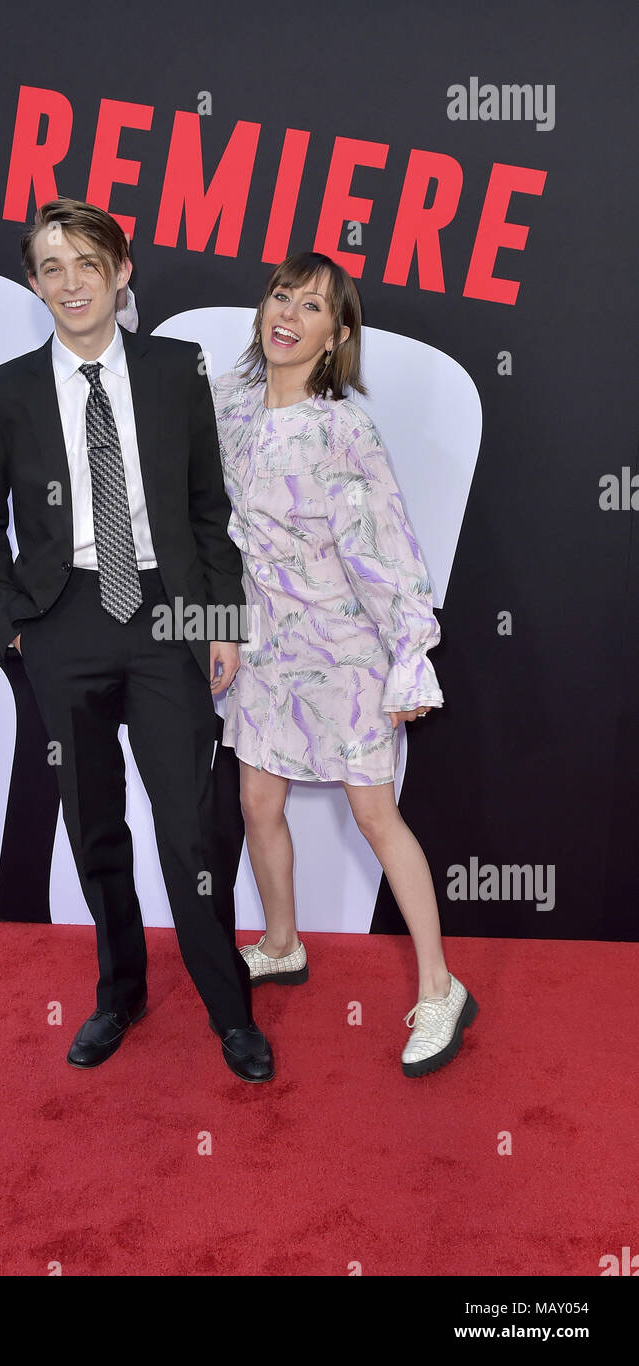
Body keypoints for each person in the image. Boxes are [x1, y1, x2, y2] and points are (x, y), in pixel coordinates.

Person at [0, 198, 273, 1083]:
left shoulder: (177, 371)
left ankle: (227, 1008)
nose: (70, 284)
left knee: (187, 830)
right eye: (51, 269)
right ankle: (119, 990)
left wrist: (221, 623)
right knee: (93, 824)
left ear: (121, 272)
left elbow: (211, 512)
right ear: (33, 283)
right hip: (64, 623)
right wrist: (17, 624)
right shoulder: (5, 391)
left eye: (86, 265)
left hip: (168, 618)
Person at [210, 251, 477, 1076]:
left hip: (345, 650)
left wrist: (408, 657)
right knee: (258, 801)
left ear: (337, 336)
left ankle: (440, 989)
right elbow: (211, 533)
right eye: (282, 295)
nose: (289, 313)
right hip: (263, 646)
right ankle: (283, 942)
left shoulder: (344, 427)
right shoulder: (229, 407)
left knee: (373, 816)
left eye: (314, 307)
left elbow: (390, 546)